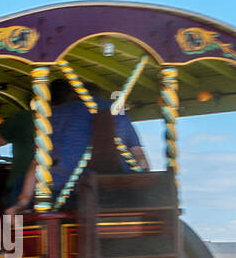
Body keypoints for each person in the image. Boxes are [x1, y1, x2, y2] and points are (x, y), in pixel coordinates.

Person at [8, 80, 149, 211]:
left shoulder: (56, 115)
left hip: (66, 196)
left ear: (74, 95)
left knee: (19, 183)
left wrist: (23, 201)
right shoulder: (119, 113)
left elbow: (38, 163)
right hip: (116, 193)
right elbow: (140, 157)